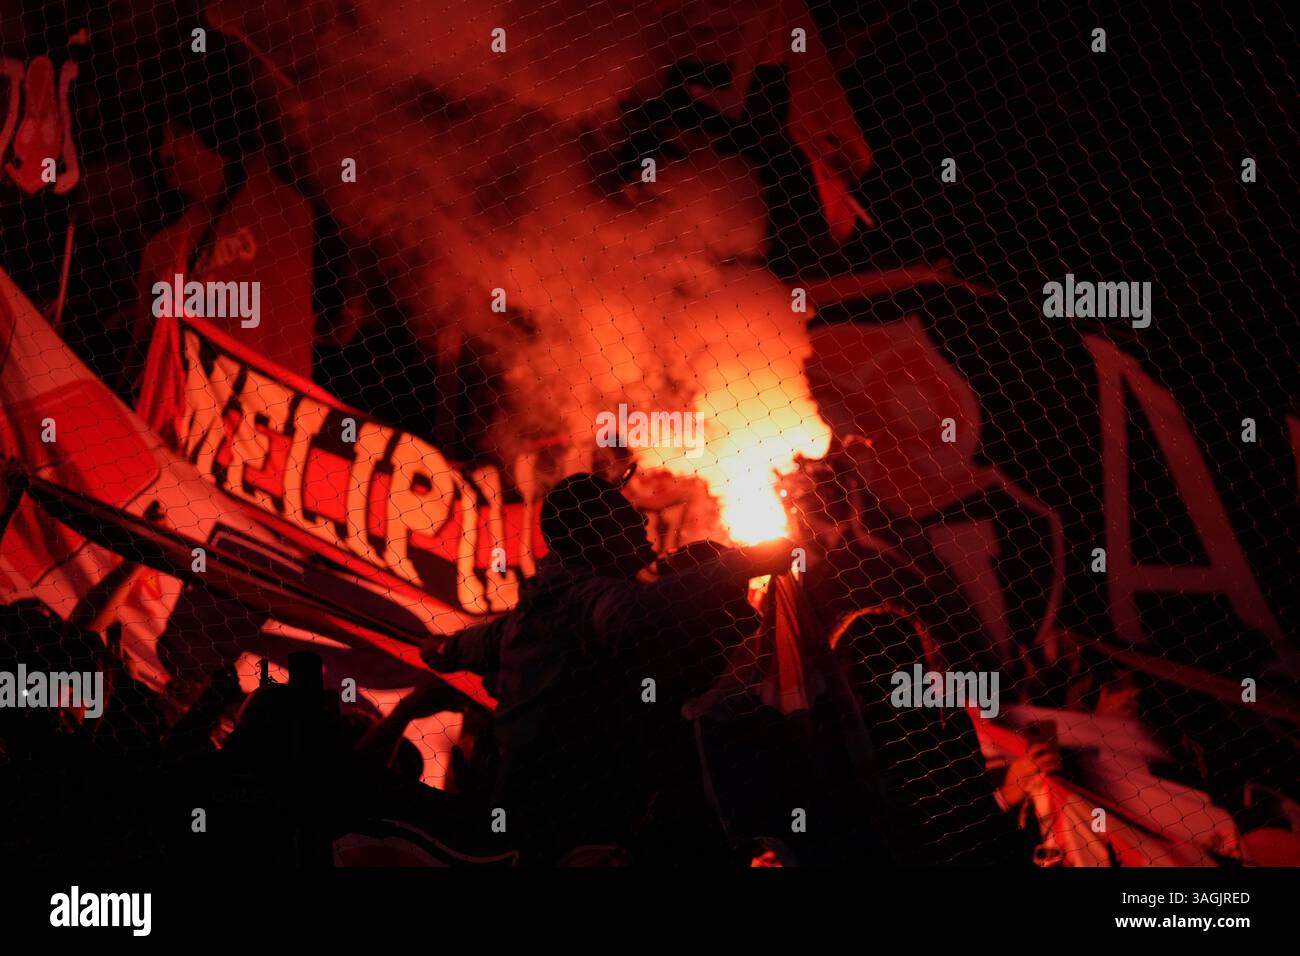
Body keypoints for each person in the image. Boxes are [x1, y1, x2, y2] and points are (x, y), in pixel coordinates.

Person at [421, 470, 794, 865]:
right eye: (624, 513)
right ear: (592, 531)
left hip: (523, 821)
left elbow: (458, 648)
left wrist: (439, 649)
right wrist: (747, 561)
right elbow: (631, 614)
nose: (640, 521)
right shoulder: (586, 599)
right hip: (569, 831)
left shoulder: (531, 614)